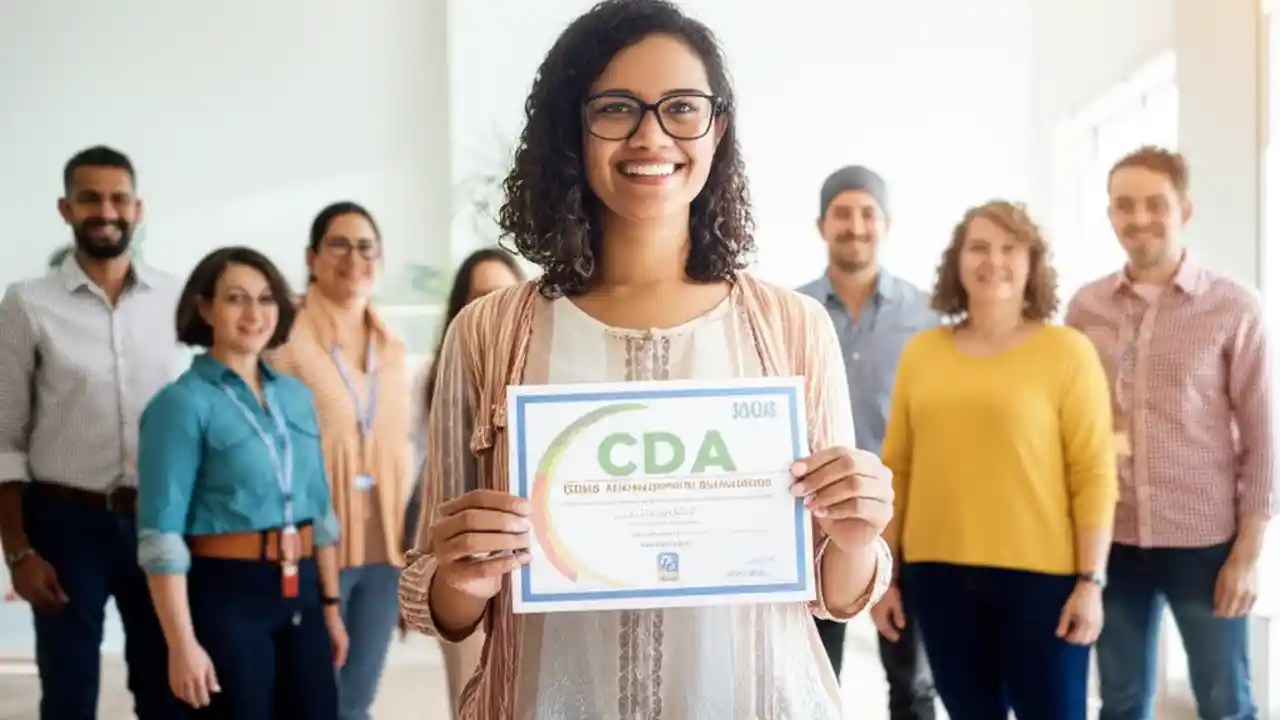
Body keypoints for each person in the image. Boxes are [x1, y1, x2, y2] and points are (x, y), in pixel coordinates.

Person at [398, 1, 894, 717]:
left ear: (717, 128)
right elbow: (429, 596)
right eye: (616, 108)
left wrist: (854, 538)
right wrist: (461, 577)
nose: (650, 135)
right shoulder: (490, 332)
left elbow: (836, 591)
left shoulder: (792, 327)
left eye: (682, 108)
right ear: (573, 127)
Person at [880, 200, 1117, 719]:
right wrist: (886, 577)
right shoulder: (923, 352)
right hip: (937, 577)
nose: (995, 260)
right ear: (957, 260)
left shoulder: (1067, 352)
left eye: (1011, 248)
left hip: (1043, 582)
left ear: (1032, 263)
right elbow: (898, 467)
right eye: (980, 247)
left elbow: (1094, 473)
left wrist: (1090, 582)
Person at [1067, 145, 1274, 720]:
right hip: (1114, 539)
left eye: (1155, 204)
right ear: (1110, 215)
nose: (1138, 219)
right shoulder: (1085, 308)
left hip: (1206, 542)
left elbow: (1262, 441)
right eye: (1123, 206)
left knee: (1225, 701)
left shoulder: (1234, 307)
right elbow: (1076, 425)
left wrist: (1247, 556)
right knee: (1122, 701)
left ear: (1184, 208)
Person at [0, 145, 187, 719]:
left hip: (158, 517)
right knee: (70, 693)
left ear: (138, 207)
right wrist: (18, 551)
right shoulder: (28, 304)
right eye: (90, 198)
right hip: (66, 524)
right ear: (66, 207)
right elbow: (4, 436)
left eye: (118, 198)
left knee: (166, 689)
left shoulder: (176, 299)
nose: (106, 210)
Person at [137, 246, 347, 718]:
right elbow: (159, 538)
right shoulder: (180, 405)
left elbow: (322, 516)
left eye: (266, 298)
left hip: (303, 591)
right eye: (236, 298)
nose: (255, 313)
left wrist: (331, 609)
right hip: (227, 597)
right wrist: (182, 644)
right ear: (206, 308)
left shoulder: (295, 396)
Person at [797, 165, 938, 717]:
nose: (855, 226)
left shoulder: (929, 316)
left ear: (885, 224)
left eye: (866, 214)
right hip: (817, 518)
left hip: (906, 518)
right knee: (815, 679)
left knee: (912, 684)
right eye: (843, 214)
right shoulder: (795, 313)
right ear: (822, 224)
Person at [267, 202, 411, 720]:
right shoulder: (284, 337)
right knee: (309, 696)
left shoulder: (392, 345)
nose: (356, 257)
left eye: (366, 246)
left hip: (383, 552)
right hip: (313, 549)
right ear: (311, 257)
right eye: (340, 244)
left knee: (357, 698)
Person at [402, 247, 524, 718]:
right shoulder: (440, 369)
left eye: (500, 293)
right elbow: (423, 456)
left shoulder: (538, 361)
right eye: (476, 297)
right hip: (456, 524)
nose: (489, 306)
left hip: (520, 549)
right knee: (466, 679)